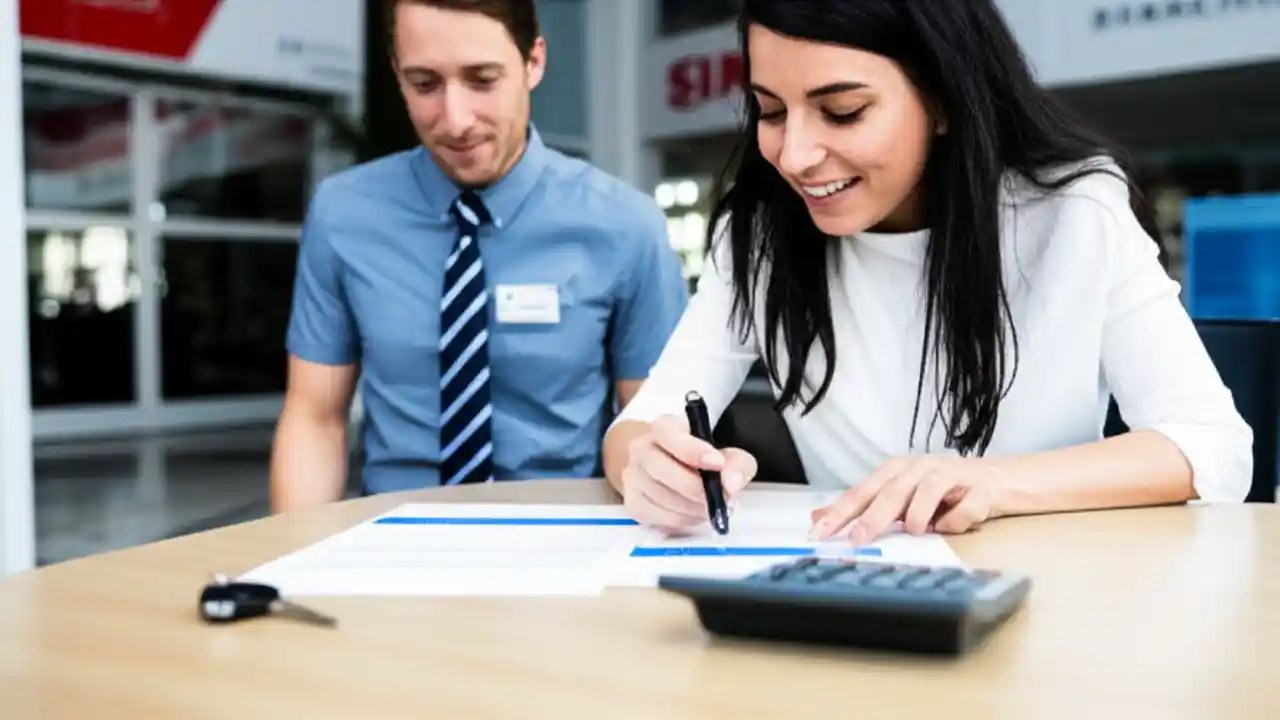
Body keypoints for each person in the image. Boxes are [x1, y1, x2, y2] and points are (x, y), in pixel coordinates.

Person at [604, 0, 1253, 543]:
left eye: (843, 111)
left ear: (943, 99)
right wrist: (652, 468)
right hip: (852, 597)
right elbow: (640, 425)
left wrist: (996, 484)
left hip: (1058, 597)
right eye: (771, 112)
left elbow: (1212, 447)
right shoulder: (760, 239)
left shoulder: (1075, 213)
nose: (795, 155)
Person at [271, 0, 687, 510]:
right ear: (396, 72)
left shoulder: (625, 226)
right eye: (424, 84)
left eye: (483, 80)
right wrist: (295, 561)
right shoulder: (344, 215)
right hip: (392, 539)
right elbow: (315, 419)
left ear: (533, 62)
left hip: (560, 539)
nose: (456, 120)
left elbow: (651, 427)